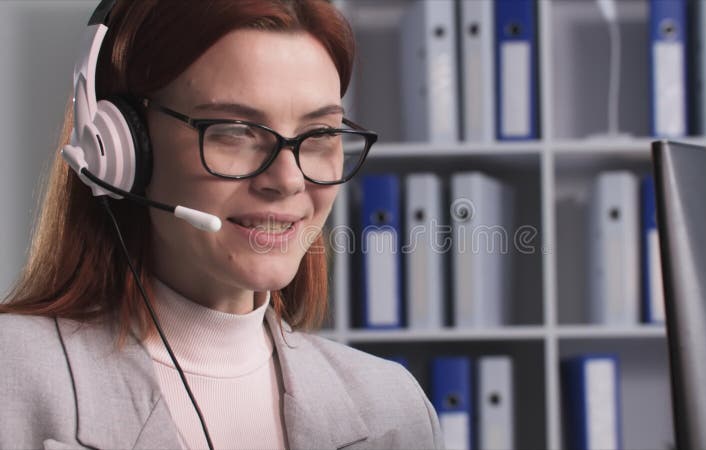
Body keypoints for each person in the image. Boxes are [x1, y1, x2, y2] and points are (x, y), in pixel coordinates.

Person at [0, 1, 443, 449]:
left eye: (321, 135)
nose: (288, 181)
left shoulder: (394, 406)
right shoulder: (12, 377)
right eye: (234, 130)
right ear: (120, 146)